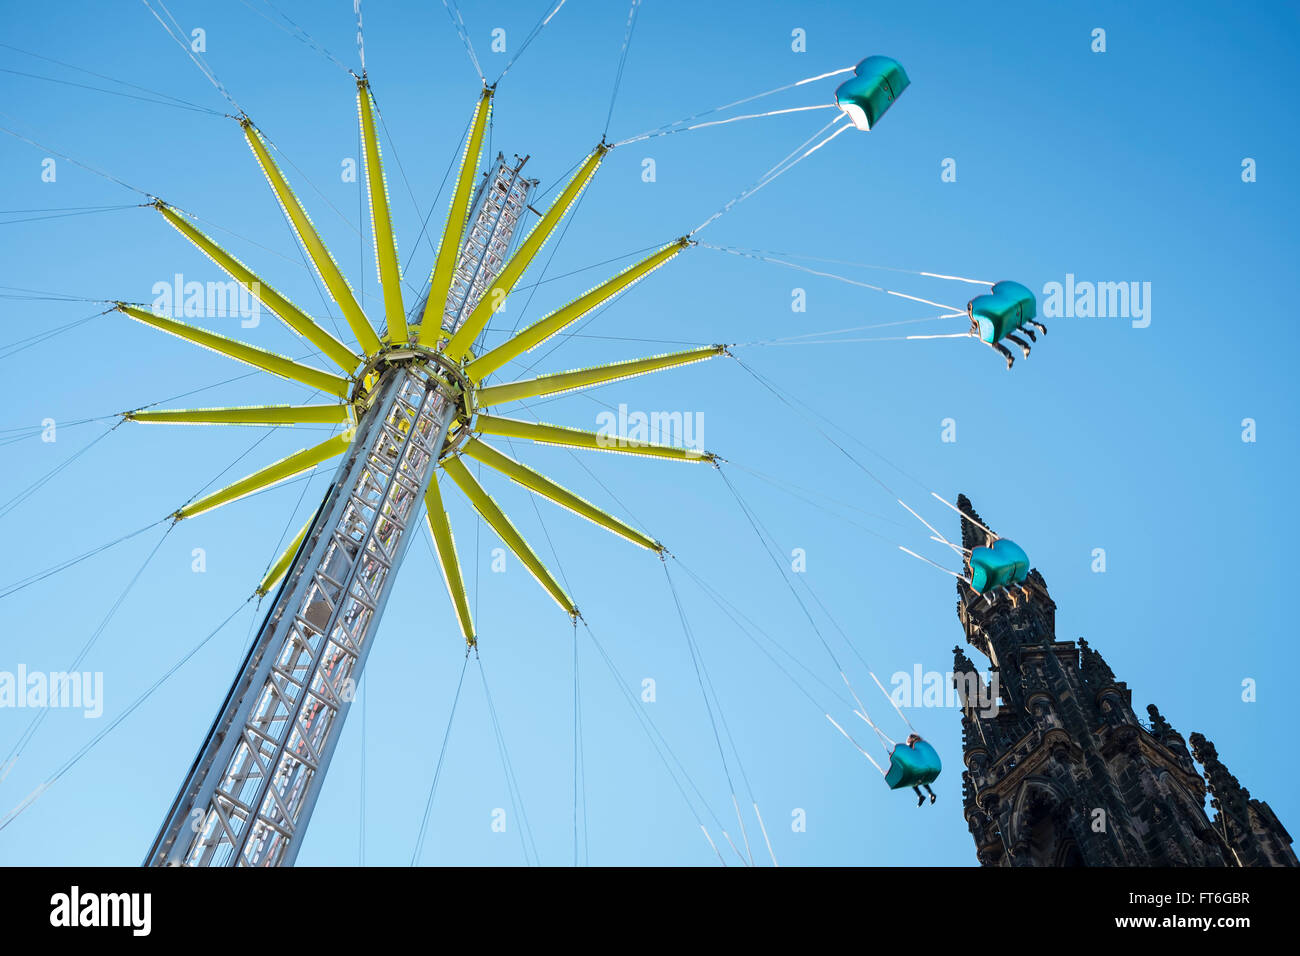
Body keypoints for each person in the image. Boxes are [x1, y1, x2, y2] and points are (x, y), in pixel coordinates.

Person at [906, 733, 937, 806]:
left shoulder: (915, 743)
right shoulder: (918, 743)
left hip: (921, 764)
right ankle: (928, 794)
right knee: (919, 780)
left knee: (916, 780)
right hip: (921, 765)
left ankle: (923, 795)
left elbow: (910, 752)